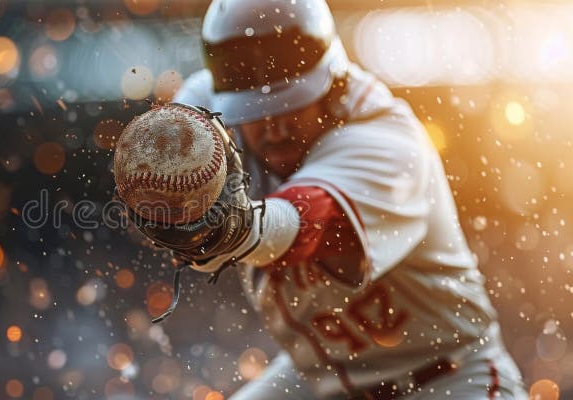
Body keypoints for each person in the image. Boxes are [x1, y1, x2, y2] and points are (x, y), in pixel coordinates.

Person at [144, 0, 528, 398]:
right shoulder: (207, 114)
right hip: (323, 378)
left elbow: (305, 223)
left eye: (292, 105)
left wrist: (228, 228)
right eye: (257, 111)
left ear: (334, 85)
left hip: (447, 377)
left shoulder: (389, 140)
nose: (276, 126)